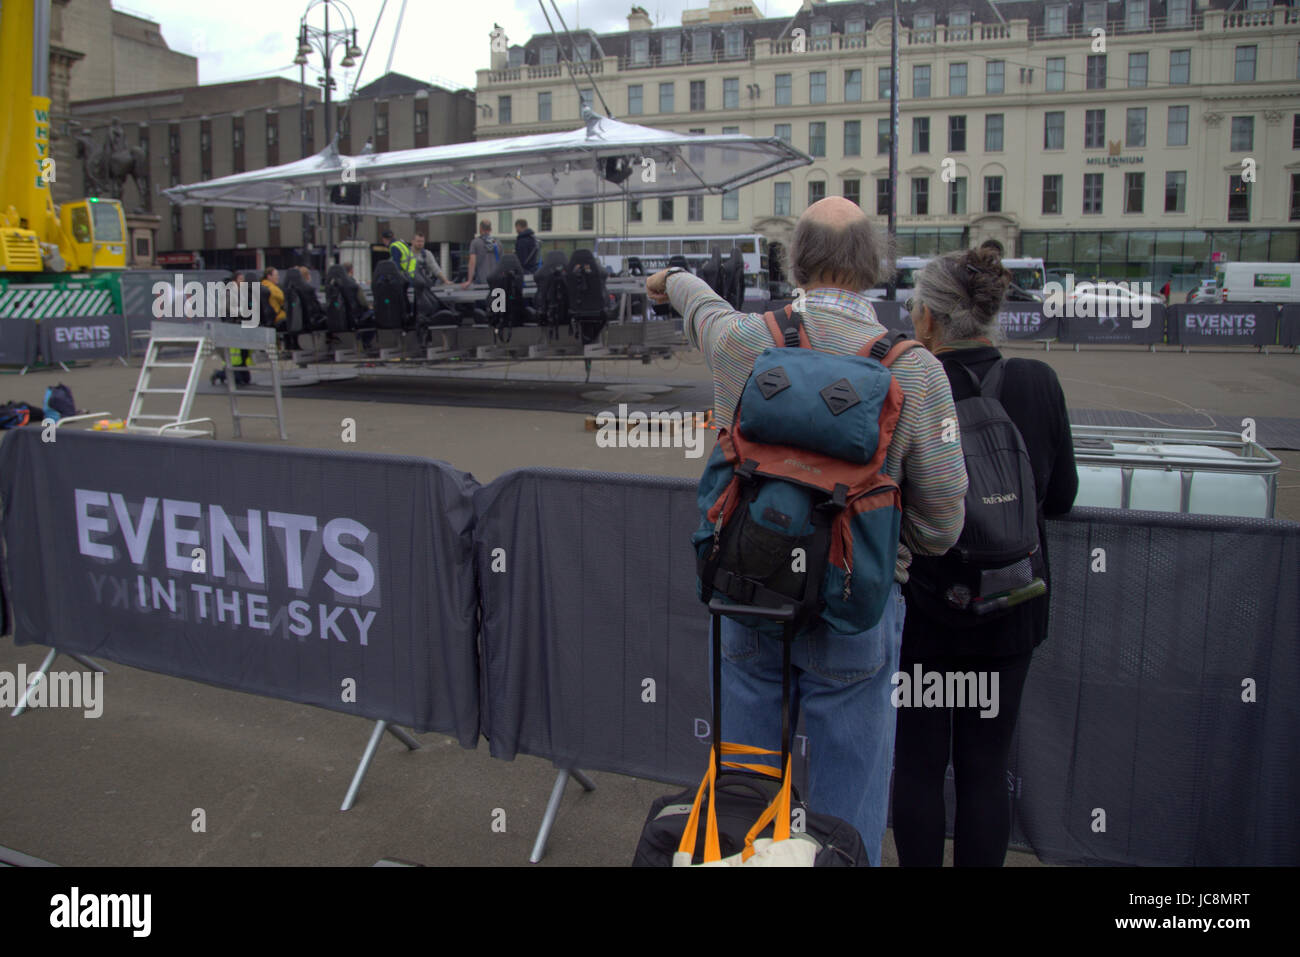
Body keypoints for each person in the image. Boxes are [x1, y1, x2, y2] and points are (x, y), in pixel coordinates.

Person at [646, 196, 968, 865]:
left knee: (742, 799)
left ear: (795, 260)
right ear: (875, 266)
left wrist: (672, 281)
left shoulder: (744, 342)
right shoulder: (916, 371)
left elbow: (703, 310)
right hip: (855, 611)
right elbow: (941, 524)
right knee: (848, 807)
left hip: (749, 596)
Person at [892, 246, 1078, 867]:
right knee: (985, 767)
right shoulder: (1037, 382)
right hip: (1010, 609)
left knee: (917, 765)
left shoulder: (908, 382)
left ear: (927, 320)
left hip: (924, 611)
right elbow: (1061, 497)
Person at [461, 219, 500, 288]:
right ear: (490, 229)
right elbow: (501, 262)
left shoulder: (475, 242)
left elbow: (472, 262)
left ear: (480, 228)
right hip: (496, 282)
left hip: (481, 282)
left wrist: (469, 281)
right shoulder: (497, 243)